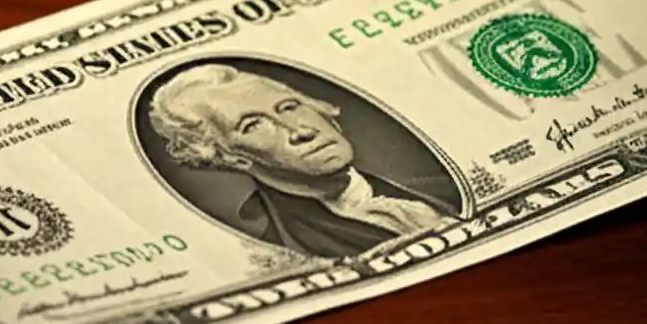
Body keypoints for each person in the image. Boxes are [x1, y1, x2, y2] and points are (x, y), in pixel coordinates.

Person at [148, 63, 460, 258]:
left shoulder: (440, 187)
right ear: (227, 157)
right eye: (253, 125)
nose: (299, 130)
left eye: (289, 107)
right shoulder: (281, 247)